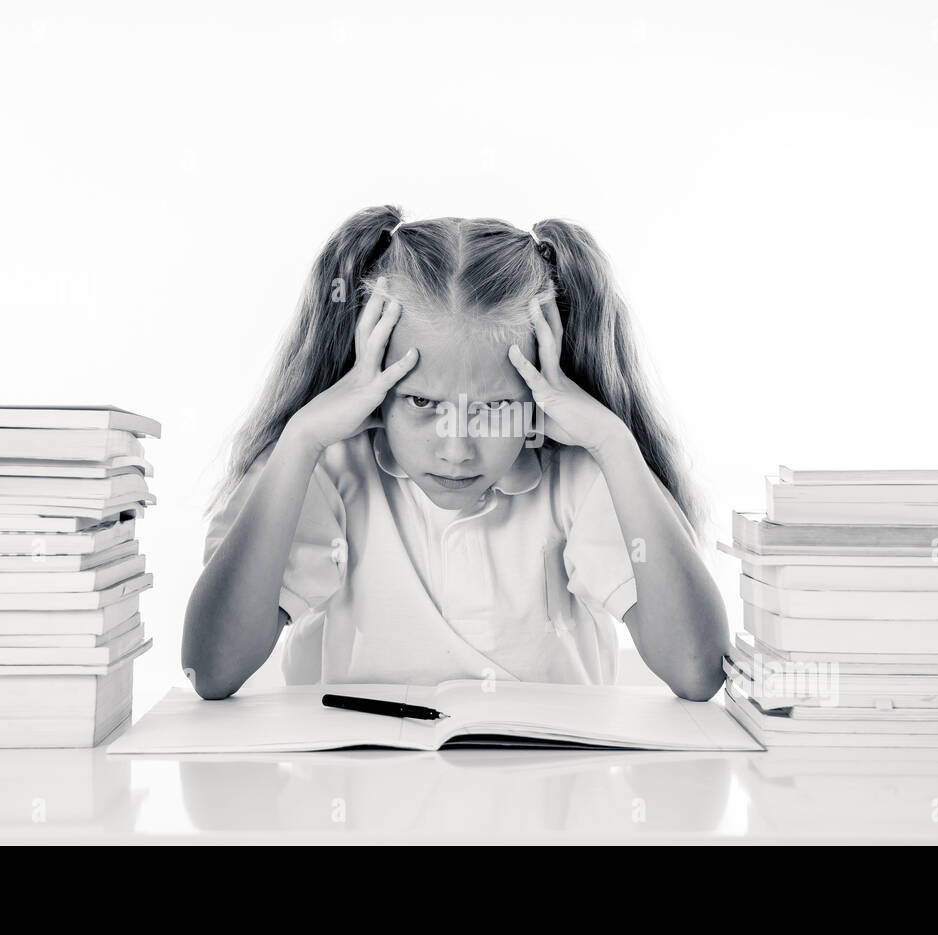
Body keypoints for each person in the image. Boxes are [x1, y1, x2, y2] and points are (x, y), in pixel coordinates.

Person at [182, 206, 729, 700]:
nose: (456, 450)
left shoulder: (583, 472)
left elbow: (697, 669)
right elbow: (210, 669)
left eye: (494, 408)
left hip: (546, 801)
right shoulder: (322, 466)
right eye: (421, 401)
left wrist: (614, 442)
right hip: (361, 796)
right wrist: (300, 439)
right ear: (366, 382)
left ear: (542, 392)